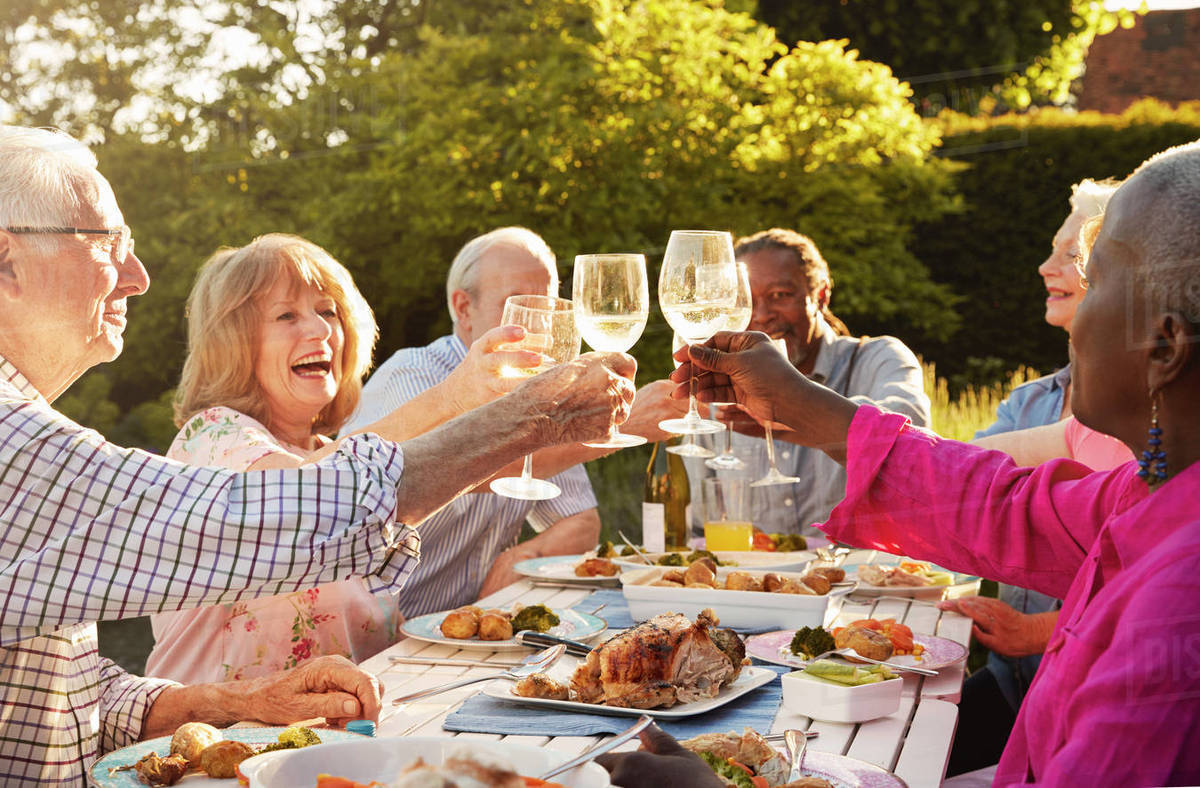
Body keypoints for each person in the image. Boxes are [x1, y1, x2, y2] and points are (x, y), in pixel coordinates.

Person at [0, 126, 634, 784]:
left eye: (327, 311)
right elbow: (304, 510)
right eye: (110, 245)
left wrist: (241, 704)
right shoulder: (23, 441)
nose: (139, 277)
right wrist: (516, 412)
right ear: (7, 261)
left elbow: (65, 695)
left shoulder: (29, 431)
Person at [657, 141, 1200, 785]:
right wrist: (805, 407)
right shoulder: (1155, 497)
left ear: (1163, 346)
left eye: (1096, 280)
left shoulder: (1178, 607)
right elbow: (1000, 507)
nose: (1074, 317)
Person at [144, 234, 546, 684]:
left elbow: (454, 473)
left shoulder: (330, 451)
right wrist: (453, 396)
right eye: (286, 315)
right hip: (219, 743)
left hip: (342, 737)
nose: (319, 331)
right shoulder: (211, 438)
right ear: (234, 342)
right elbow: (309, 490)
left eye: (328, 311)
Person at [341, 226, 677, 614]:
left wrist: (518, 558)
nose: (540, 326)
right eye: (519, 305)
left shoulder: (539, 395)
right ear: (464, 308)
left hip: (458, 635)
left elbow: (581, 523)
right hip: (368, 633)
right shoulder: (413, 376)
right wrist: (621, 424)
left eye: (548, 306)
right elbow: (434, 472)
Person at [943, 179, 1121, 775]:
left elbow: (1146, 579)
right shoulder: (1031, 402)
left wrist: (1041, 630)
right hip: (1013, 678)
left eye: (1071, 255)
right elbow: (956, 480)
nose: (1046, 267)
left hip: (1085, 697)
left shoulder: (1144, 416)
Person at [725, 228, 929, 533]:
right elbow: (702, 526)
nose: (762, 316)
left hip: (864, 577)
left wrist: (796, 407)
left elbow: (913, 437)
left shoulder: (879, 358)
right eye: (747, 301)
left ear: (820, 296)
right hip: (749, 579)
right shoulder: (722, 388)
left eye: (780, 295)